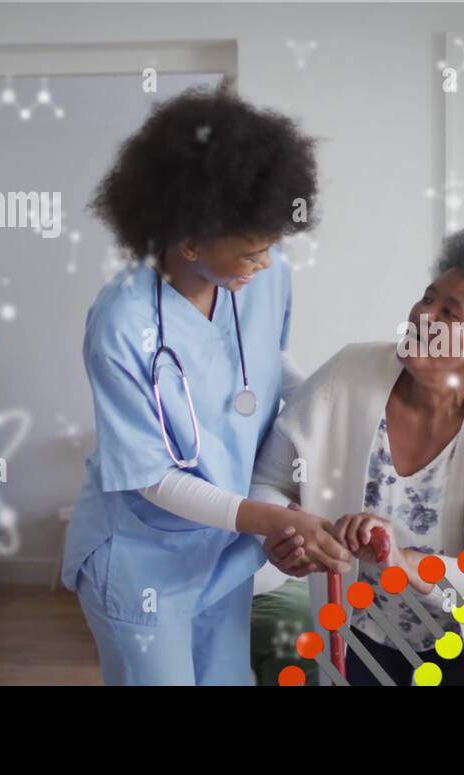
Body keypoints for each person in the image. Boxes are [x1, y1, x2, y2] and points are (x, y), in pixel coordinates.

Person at [60, 84, 351, 686]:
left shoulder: (265, 275)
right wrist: (270, 520)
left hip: (223, 552)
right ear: (189, 242)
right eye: (250, 253)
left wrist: (335, 407)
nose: (265, 263)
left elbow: (264, 369)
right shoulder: (122, 322)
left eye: (271, 246)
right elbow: (151, 476)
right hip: (141, 560)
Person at [251, 225, 464, 686]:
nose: (423, 316)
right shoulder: (349, 372)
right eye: (427, 298)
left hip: (459, 650)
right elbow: (269, 484)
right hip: (356, 635)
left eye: (451, 314)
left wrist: (405, 562)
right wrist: (288, 536)